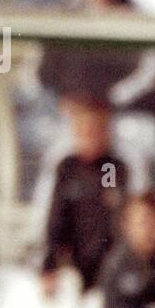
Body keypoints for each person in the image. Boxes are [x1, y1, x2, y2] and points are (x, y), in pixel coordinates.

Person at [42, 95, 129, 294]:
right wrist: (50, 265)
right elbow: (56, 219)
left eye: (95, 132)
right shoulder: (68, 168)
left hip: (108, 262)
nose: (89, 138)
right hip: (74, 262)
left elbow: (113, 211)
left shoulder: (110, 167)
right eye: (84, 132)